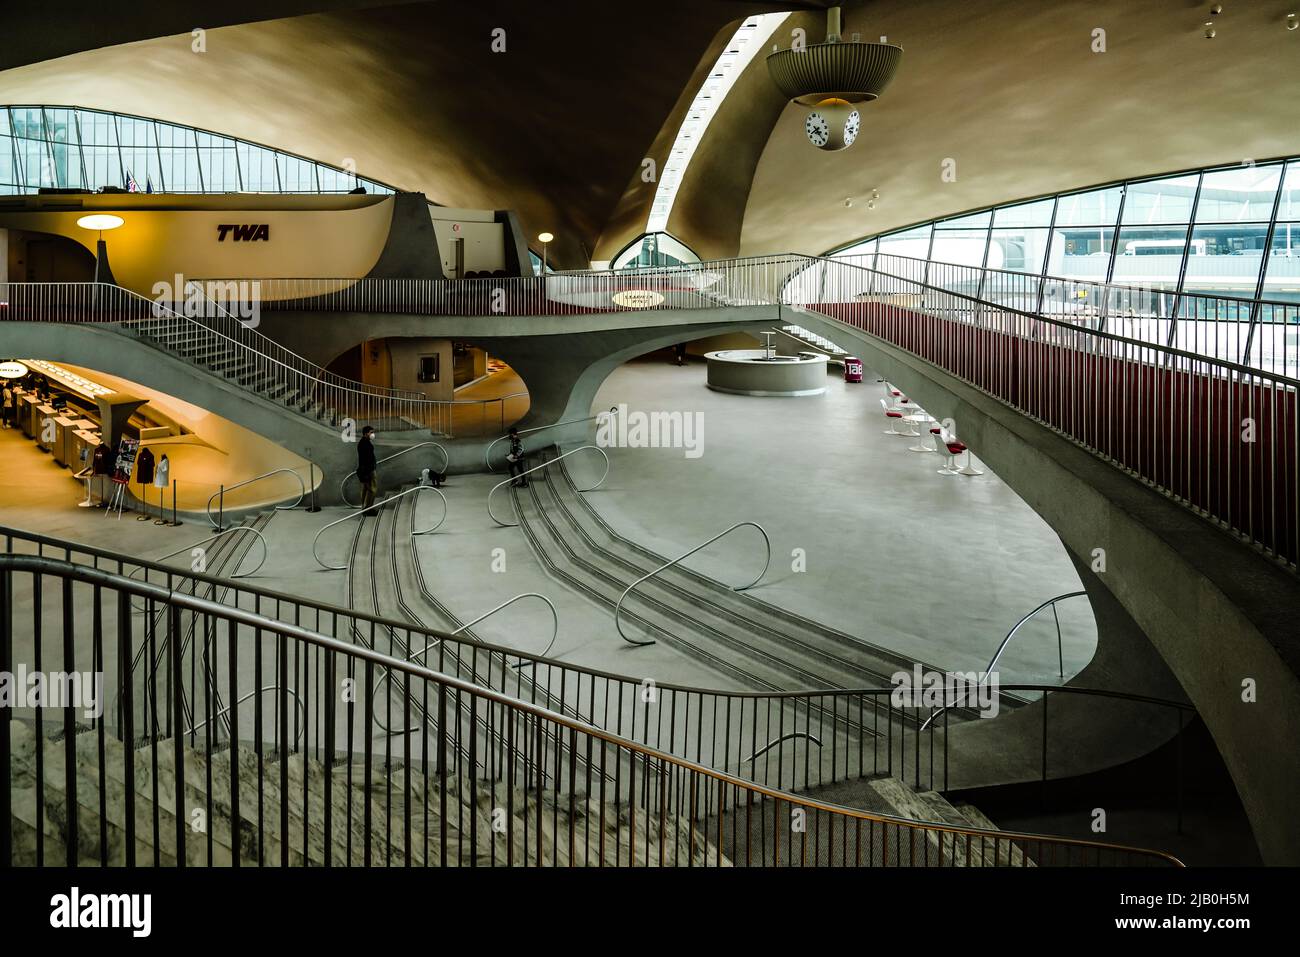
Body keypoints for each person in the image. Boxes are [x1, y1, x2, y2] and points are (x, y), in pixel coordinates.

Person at [357, 425, 378, 513]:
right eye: (371, 432)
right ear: (366, 434)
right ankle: (368, 508)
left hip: (365, 470)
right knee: (372, 489)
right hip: (368, 471)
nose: (373, 434)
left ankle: (364, 507)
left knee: (365, 489)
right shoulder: (365, 444)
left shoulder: (363, 442)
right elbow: (367, 459)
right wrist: (368, 472)